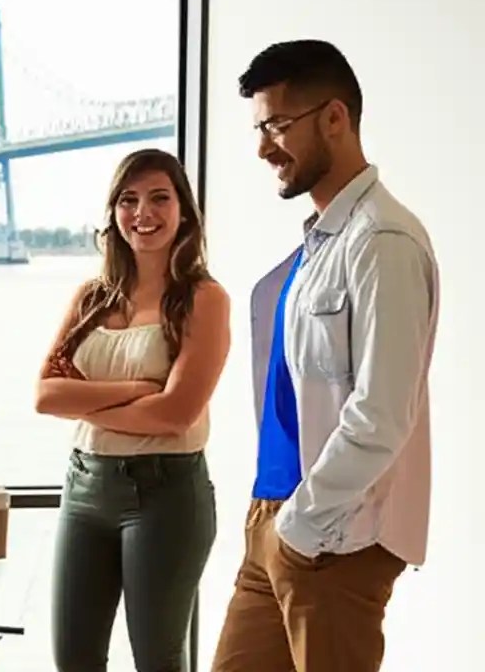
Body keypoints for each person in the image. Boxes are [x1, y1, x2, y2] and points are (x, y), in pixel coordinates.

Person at [211, 40, 439, 672]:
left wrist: (302, 527)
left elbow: (381, 414)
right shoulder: (322, 243)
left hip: (333, 538)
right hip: (274, 517)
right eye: (259, 128)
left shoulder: (383, 242)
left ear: (335, 118)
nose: (263, 147)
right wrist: (276, 526)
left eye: (278, 125)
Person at [36, 148, 229, 672]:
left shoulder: (203, 299)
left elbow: (175, 416)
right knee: (73, 660)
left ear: (184, 211)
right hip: (84, 488)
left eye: (159, 198)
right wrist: (137, 388)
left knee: (158, 662)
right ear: (114, 213)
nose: (143, 213)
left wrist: (87, 399)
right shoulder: (90, 299)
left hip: (166, 496)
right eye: (129, 199)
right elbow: (45, 395)